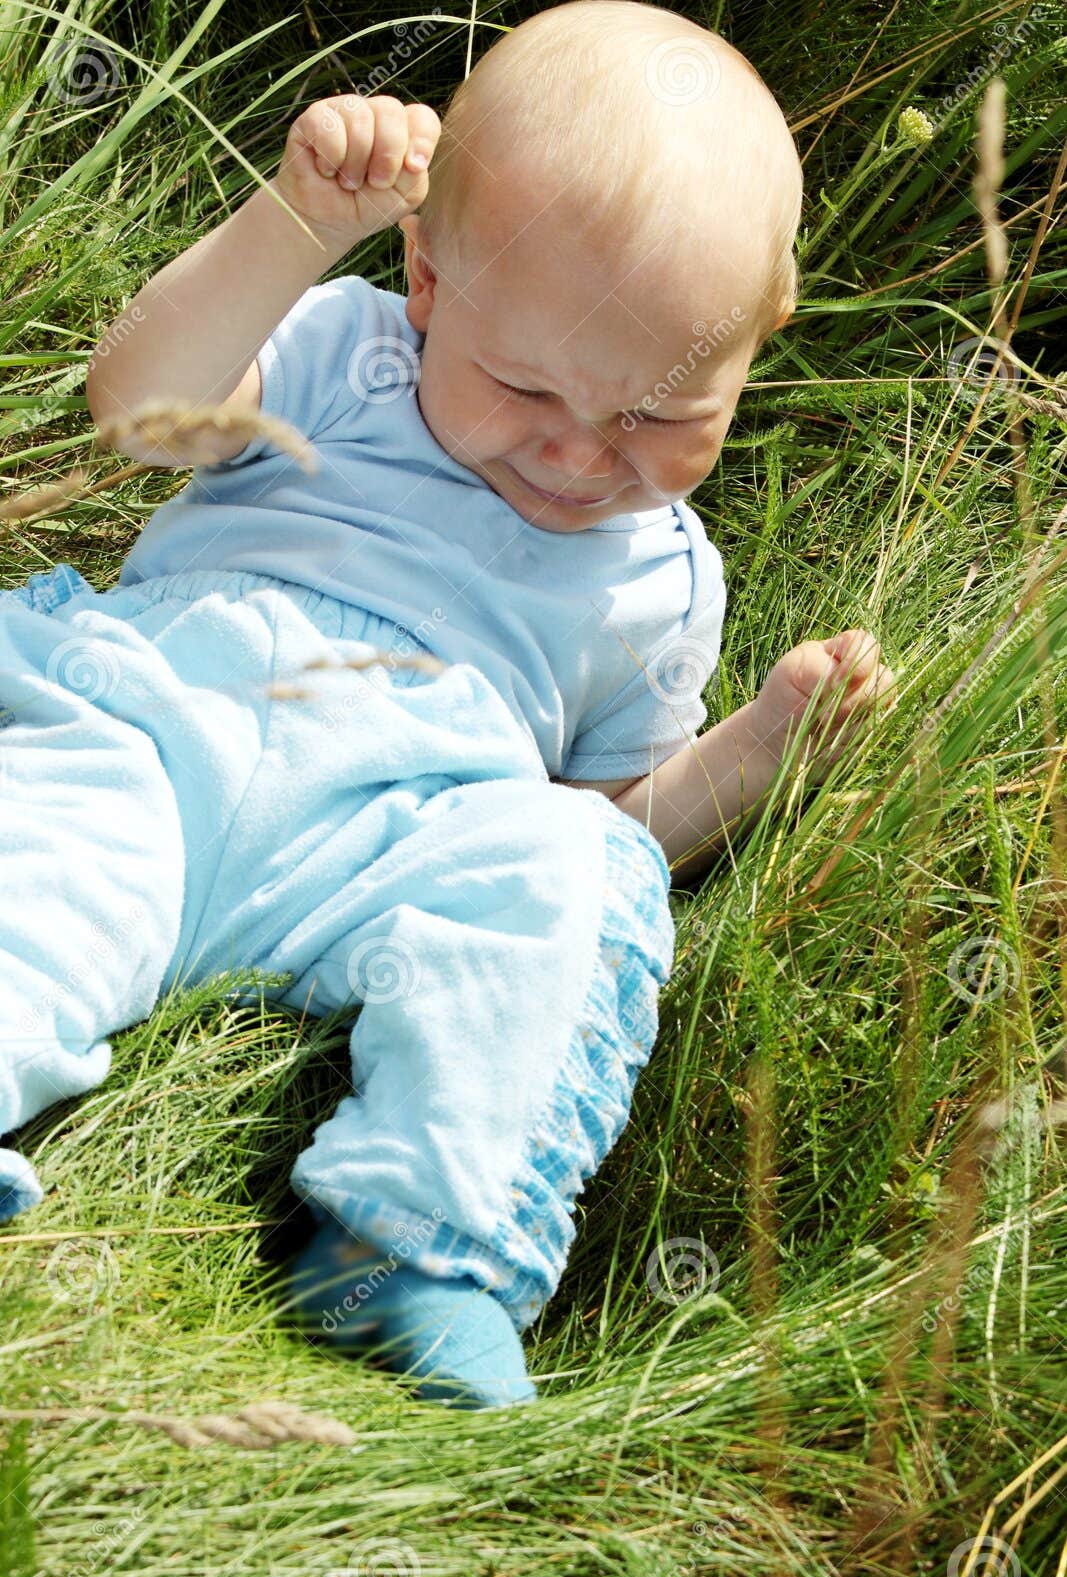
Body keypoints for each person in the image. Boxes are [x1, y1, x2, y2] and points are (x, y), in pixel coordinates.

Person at [0, 2, 895, 1407]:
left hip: (389, 844)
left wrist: (763, 744)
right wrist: (295, 226)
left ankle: (411, 1239)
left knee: (568, 885)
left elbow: (609, 828)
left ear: (756, 342)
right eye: (524, 385)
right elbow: (136, 407)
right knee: (40, 873)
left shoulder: (662, 583)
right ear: (425, 276)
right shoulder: (346, 362)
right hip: (161, 731)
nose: (578, 456)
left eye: (659, 417)